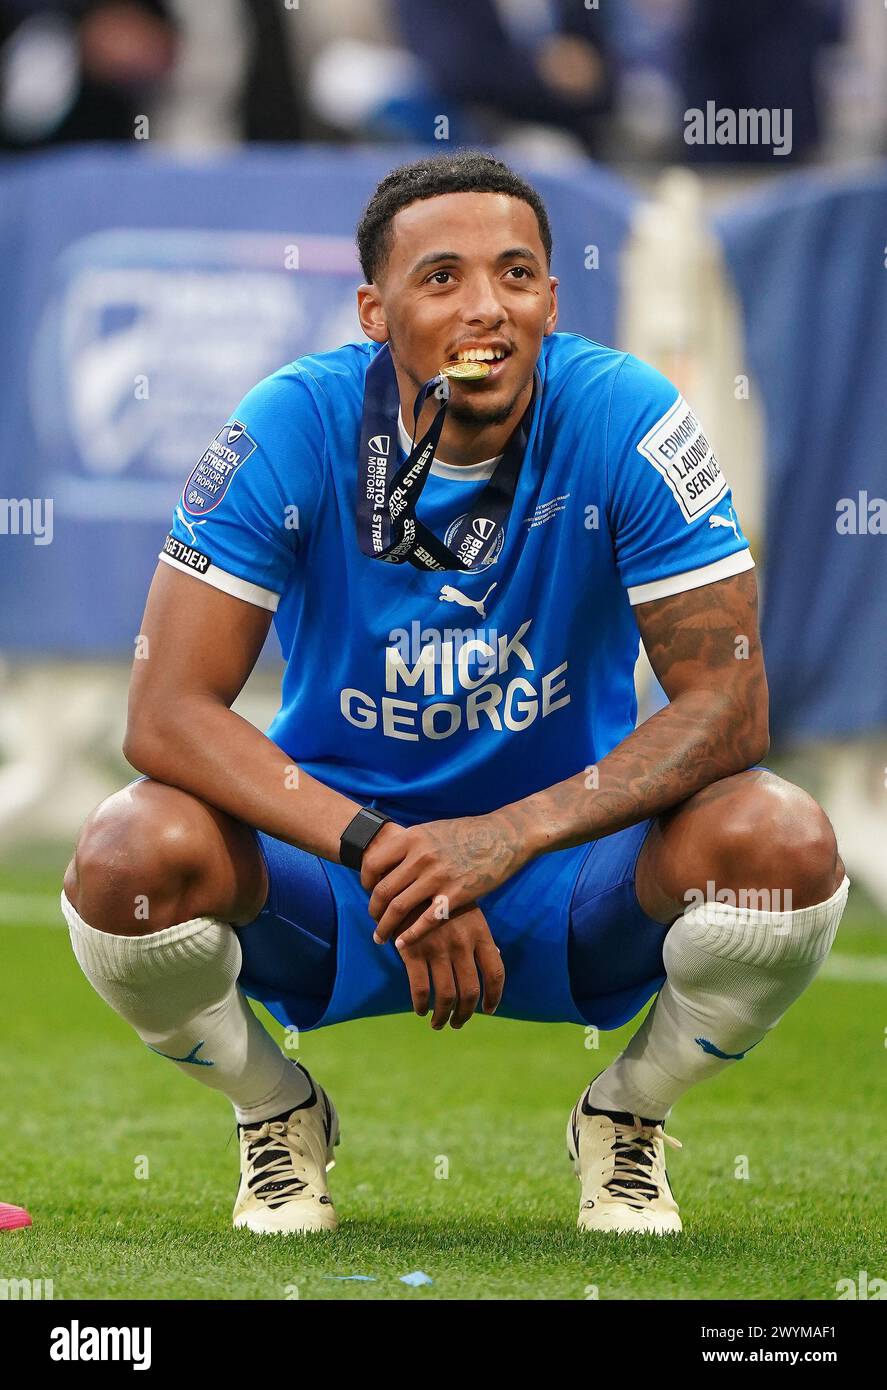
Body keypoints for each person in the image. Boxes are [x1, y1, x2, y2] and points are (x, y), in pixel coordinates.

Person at [60, 151, 848, 1236]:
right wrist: (389, 849)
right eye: (441, 279)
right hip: (342, 874)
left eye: (516, 273)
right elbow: (166, 714)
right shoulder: (293, 421)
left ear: (552, 298)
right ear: (372, 311)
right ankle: (274, 1111)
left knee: (784, 843)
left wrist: (505, 835)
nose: (487, 306)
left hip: (568, 868)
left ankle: (625, 1116)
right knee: (124, 858)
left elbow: (728, 703)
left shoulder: (625, 413)